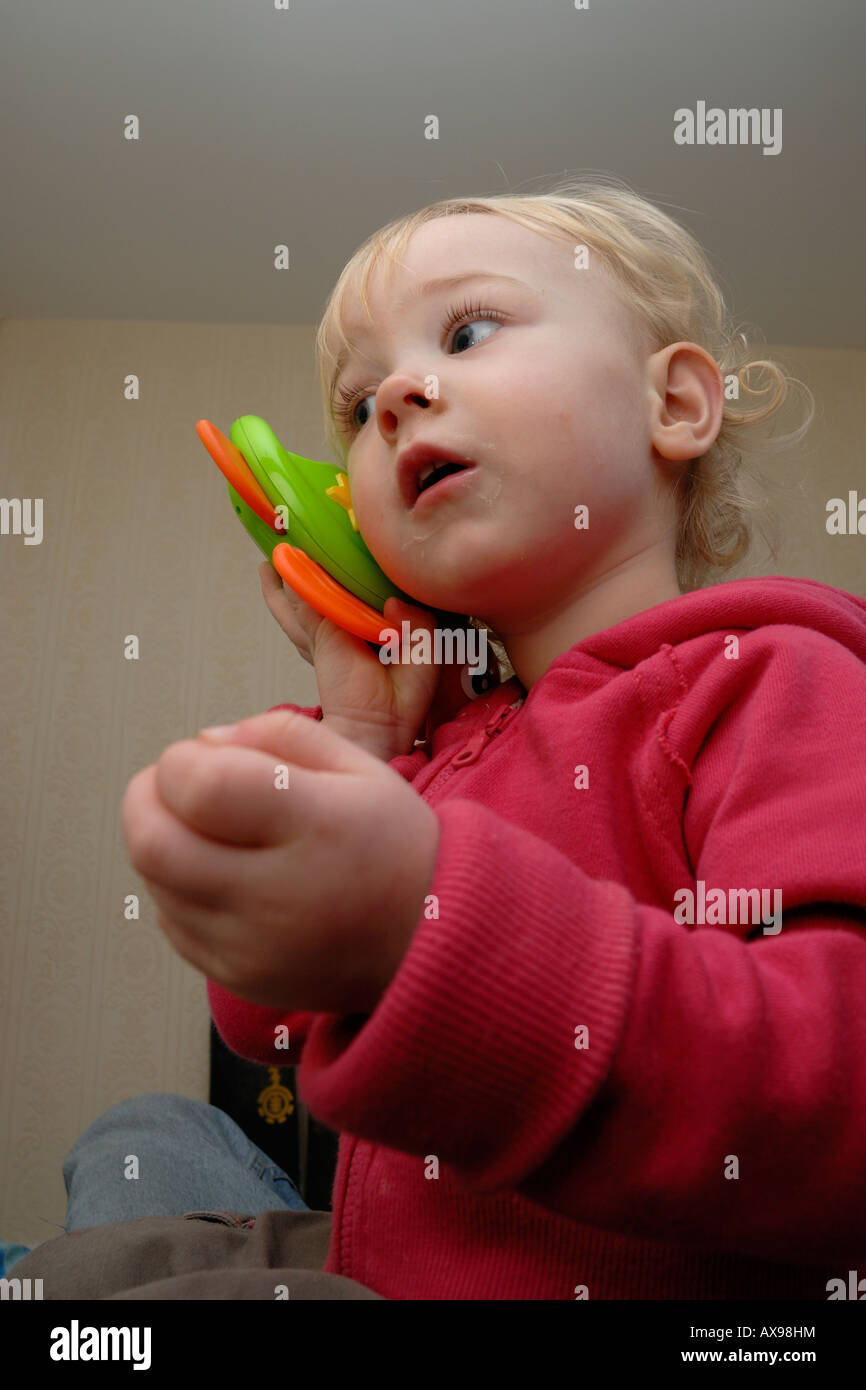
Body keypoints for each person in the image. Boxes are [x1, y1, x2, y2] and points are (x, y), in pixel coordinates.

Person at [16, 176, 866, 1300]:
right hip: (374, 1258)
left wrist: (427, 927)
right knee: (149, 1130)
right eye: (360, 407)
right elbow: (268, 1028)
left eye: (468, 332)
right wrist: (365, 730)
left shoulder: (767, 679)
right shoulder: (437, 747)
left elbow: (832, 1099)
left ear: (674, 407)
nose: (401, 399)